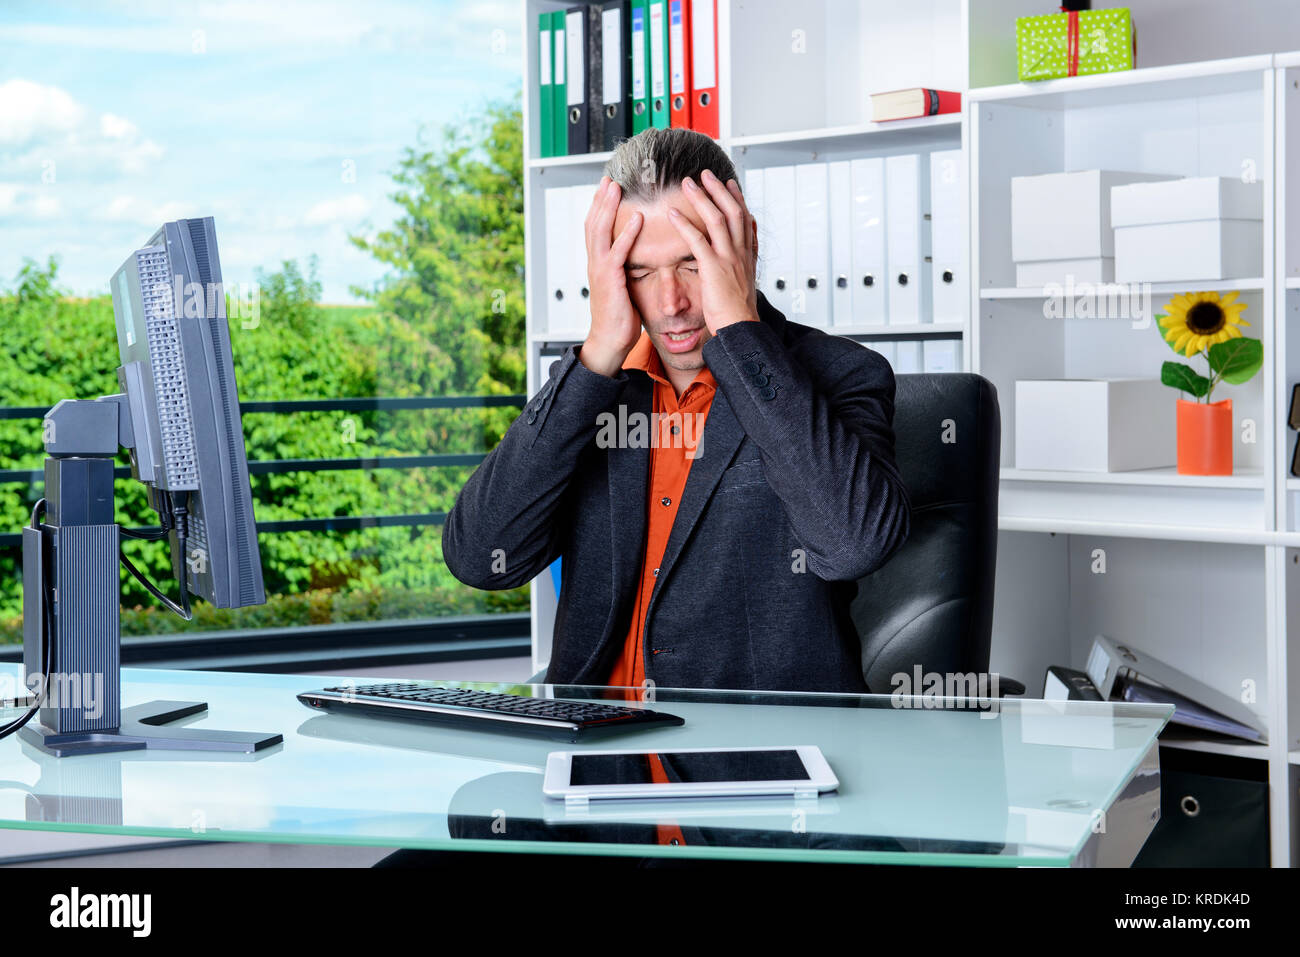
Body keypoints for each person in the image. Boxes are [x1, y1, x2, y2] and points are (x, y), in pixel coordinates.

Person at [442, 126, 911, 696]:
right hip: (596, 754)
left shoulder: (843, 375)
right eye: (640, 271)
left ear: (745, 245)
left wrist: (739, 332)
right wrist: (596, 355)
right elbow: (480, 560)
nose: (671, 304)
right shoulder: (594, 391)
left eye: (693, 263)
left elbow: (852, 545)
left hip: (759, 757)